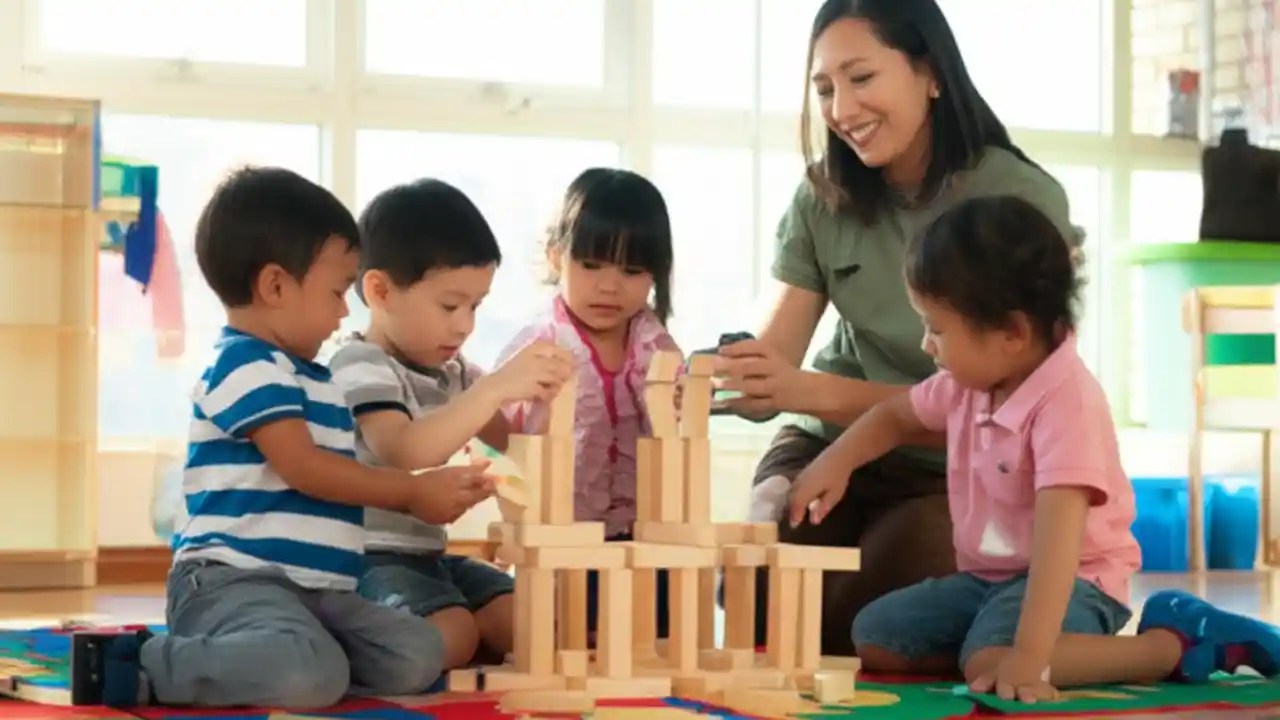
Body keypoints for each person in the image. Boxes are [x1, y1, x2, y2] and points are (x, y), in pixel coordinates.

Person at [789, 194, 1280, 703]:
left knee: (994, 662)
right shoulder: (968, 385)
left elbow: (1057, 551)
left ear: (1012, 333)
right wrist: (835, 461)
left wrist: (1029, 656)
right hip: (990, 580)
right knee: (877, 637)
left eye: (936, 329)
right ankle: (999, 647)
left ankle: (1174, 644)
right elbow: (894, 416)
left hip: (1077, 580)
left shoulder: (1067, 404)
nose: (925, 345)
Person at [713, 0, 1085, 655]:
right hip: (828, 446)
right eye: (824, 89)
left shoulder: (1017, 202)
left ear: (930, 73)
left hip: (953, 471)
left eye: (861, 78)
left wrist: (806, 390)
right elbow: (773, 369)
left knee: (862, 627)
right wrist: (719, 379)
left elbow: (1009, 406)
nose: (841, 109)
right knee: (761, 605)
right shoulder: (823, 196)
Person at [92, 167, 497, 709]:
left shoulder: (315, 376)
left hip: (316, 589)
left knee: (417, 654)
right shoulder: (245, 364)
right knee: (309, 674)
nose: (344, 310)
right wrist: (411, 492)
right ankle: (145, 663)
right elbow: (304, 468)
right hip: (231, 583)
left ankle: (288, 658)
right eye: (336, 291)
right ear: (276, 286)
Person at [329, 178, 574, 670]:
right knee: (451, 635)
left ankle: (453, 633)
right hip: (368, 559)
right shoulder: (360, 363)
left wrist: (548, 396)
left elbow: (515, 443)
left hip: (429, 559)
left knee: (535, 625)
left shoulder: (455, 372)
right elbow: (405, 450)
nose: (465, 325)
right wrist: (495, 388)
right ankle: (347, 639)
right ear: (380, 291)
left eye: (475, 307)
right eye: (449, 306)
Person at [496, 167, 681, 637]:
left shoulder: (656, 344)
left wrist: (685, 397)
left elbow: (678, 424)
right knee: (571, 640)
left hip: (643, 537)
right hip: (563, 539)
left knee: (655, 640)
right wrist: (518, 519)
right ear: (557, 256)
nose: (610, 286)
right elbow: (498, 437)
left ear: (655, 274)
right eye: (592, 265)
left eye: (632, 271)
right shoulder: (538, 344)